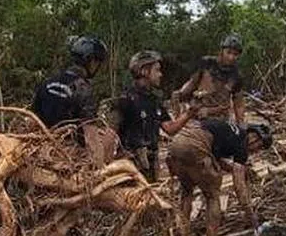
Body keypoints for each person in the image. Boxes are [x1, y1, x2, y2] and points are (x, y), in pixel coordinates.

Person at [165, 118, 273, 236]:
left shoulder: (230, 132)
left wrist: (236, 170)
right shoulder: (242, 143)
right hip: (196, 145)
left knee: (187, 191)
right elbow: (239, 186)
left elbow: (214, 157)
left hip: (176, 144)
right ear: (255, 138)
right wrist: (249, 214)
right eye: (259, 147)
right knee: (212, 196)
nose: (256, 151)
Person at [110, 50, 196, 181]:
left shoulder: (154, 100)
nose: (160, 75)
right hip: (130, 168)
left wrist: (189, 113)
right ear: (144, 71)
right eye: (157, 70)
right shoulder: (125, 99)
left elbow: (170, 128)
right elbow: (110, 133)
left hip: (151, 166)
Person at [32, 35, 116, 164]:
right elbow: (90, 137)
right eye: (98, 62)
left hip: (42, 149)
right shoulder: (84, 89)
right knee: (110, 137)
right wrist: (100, 170)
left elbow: (33, 121)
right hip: (70, 155)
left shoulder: (48, 82)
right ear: (91, 61)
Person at [176, 33, 246, 124]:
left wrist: (241, 124)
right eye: (228, 52)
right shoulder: (207, 63)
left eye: (235, 54)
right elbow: (192, 83)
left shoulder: (236, 76)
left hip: (219, 117)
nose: (231, 57)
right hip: (197, 112)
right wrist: (181, 96)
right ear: (222, 51)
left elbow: (239, 103)